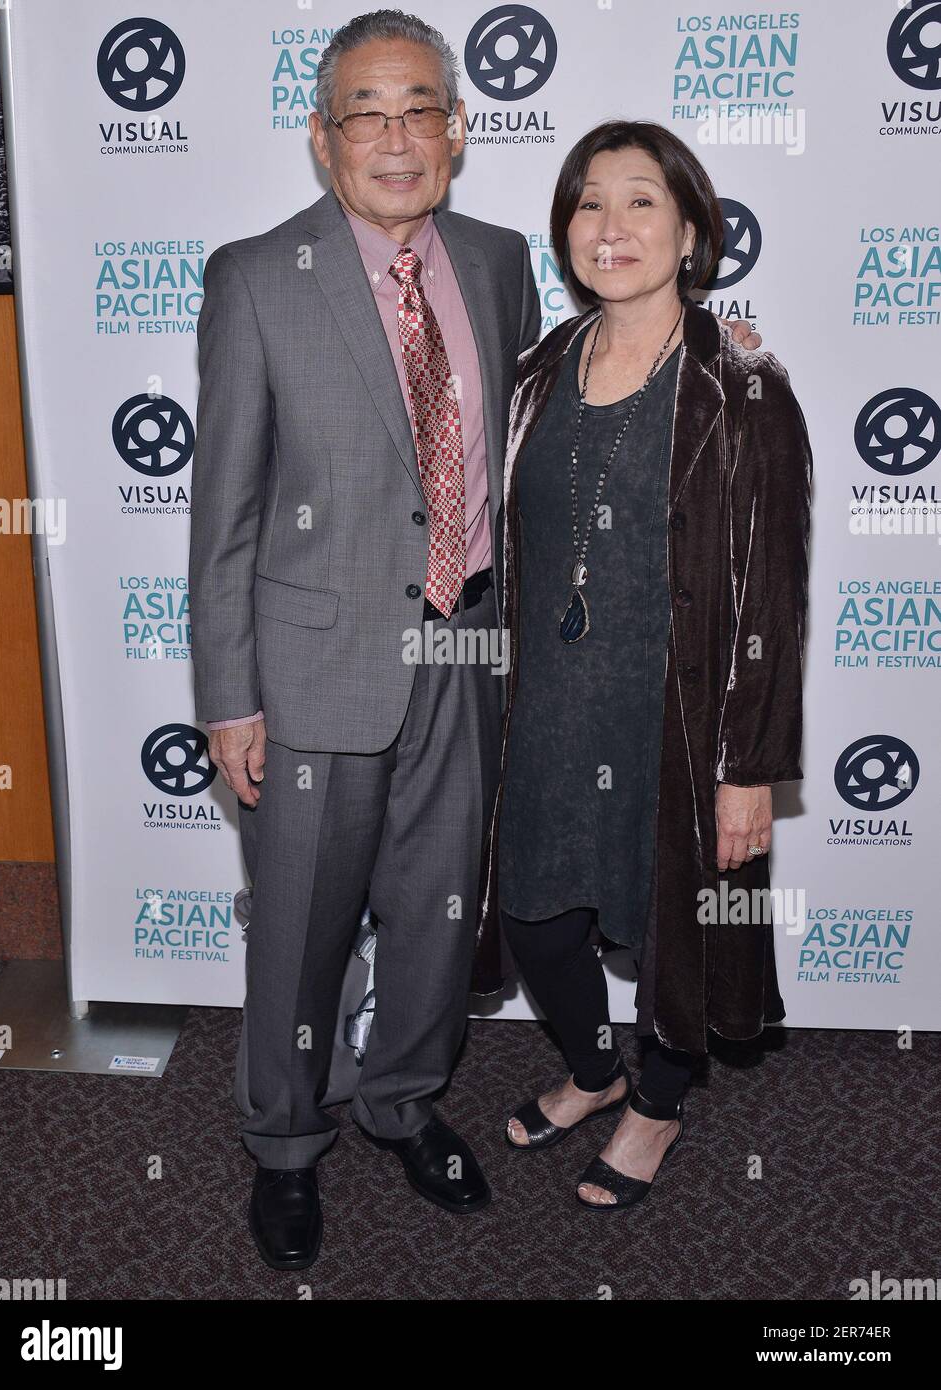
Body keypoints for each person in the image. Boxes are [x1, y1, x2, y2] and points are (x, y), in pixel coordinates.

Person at [189, 11, 762, 1273]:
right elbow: (221, 510)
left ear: (458, 129)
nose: (395, 139)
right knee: (299, 931)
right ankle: (285, 1145)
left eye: (419, 111)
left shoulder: (504, 259)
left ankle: (400, 1101)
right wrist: (229, 694)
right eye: (365, 112)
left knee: (440, 921)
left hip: (474, 659)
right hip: (312, 671)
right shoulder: (251, 275)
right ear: (322, 134)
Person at [475, 120, 812, 1209]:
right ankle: (590, 1070)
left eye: (638, 202)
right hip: (550, 706)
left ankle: (656, 1104)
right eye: (586, 202)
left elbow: (774, 587)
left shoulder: (741, 382)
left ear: (690, 231)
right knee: (530, 912)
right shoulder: (534, 375)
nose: (608, 226)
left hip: (672, 716)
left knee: (677, 930)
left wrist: (749, 764)